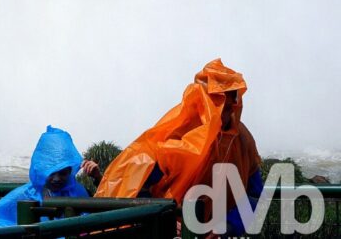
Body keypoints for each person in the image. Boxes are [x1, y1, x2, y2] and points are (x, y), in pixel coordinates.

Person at [95, 59, 262, 235]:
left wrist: (228, 226)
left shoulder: (243, 141)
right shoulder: (176, 134)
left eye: (227, 107)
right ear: (201, 101)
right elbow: (138, 185)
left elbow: (254, 195)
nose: (222, 114)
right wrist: (167, 218)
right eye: (215, 106)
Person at [0, 126, 101, 226]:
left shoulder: (79, 192)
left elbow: (108, 205)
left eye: (63, 173)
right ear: (41, 171)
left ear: (70, 171)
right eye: (51, 173)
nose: (56, 179)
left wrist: (98, 178)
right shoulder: (23, 195)